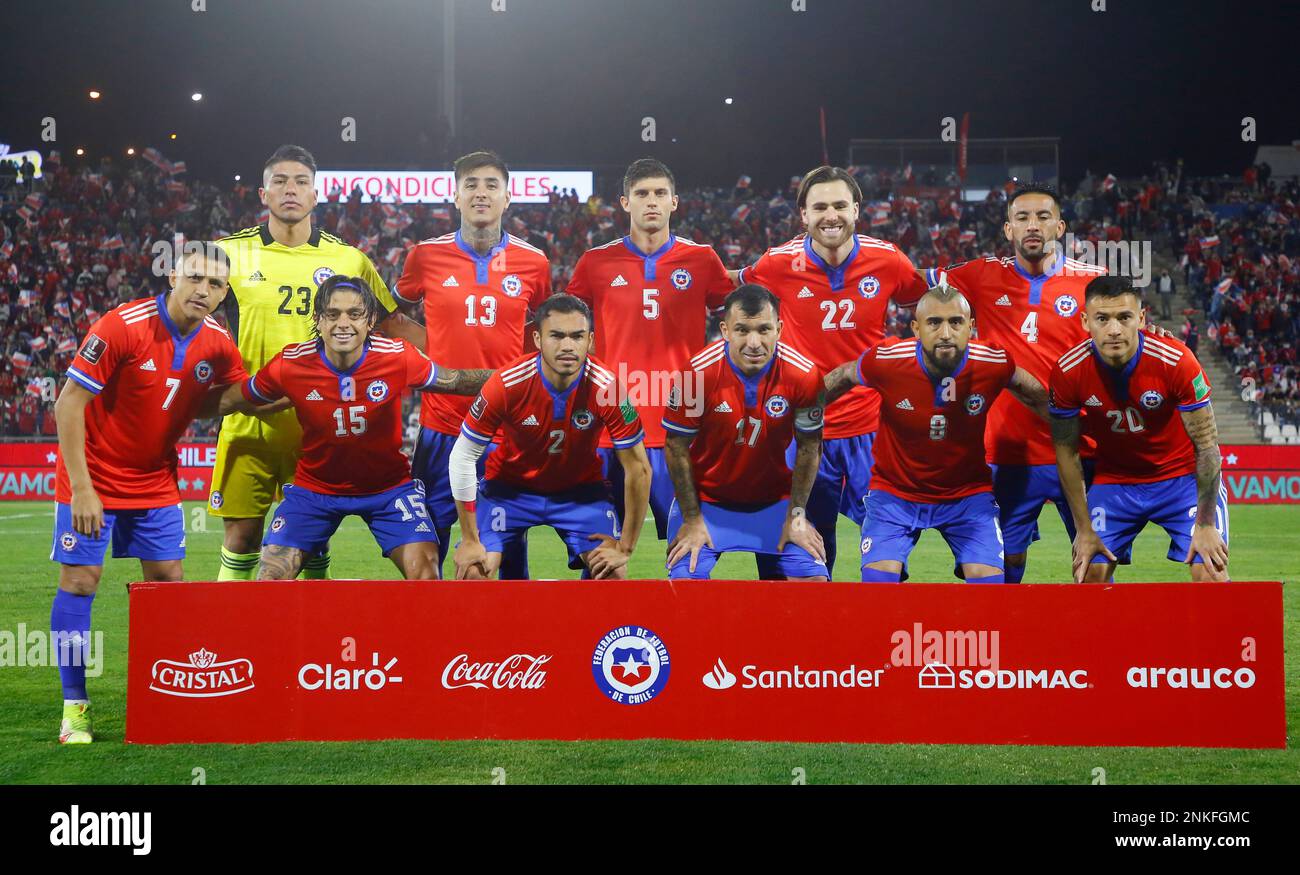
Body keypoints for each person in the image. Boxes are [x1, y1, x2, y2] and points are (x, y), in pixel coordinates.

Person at [49, 243, 253, 744]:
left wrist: (290, 385)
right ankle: (75, 706)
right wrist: (82, 489)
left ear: (225, 293)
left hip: (156, 482)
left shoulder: (219, 342)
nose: (203, 290)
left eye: (215, 285)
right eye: (194, 278)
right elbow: (67, 405)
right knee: (80, 583)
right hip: (93, 477)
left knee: (168, 583)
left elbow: (229, 397)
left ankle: (166, 697)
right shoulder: (122, 325)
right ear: (173, 277)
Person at [210, 144, 423, 582]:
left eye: (301, 182)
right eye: (280, 181)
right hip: (253, 419)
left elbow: (390, 324)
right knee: (242, 538)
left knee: (312, 541)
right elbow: (194, 318)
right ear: (262, 193)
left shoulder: (349, 259)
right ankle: (234, 637)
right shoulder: (226, 255)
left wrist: (464, 354)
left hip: (321, 425)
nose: (291, 190)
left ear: (315, 193)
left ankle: (313, 642)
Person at [222, 275, 489, 580]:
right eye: (332, 314)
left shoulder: (397, 357)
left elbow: (455, 380)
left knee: (427, 577)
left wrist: (519, 375)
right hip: (315, 491)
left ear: (370, 319)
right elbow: (236, 398)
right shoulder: (291, 364)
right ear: (318, 320)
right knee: (270, 578)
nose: (343, 323)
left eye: (354, 313)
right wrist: (182, 402)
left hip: (389, 490)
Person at [736, 166, 928, 576]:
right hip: (799, 431)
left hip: (871, 431)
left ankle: (877, 633)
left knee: (888, 558)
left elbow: (927, 302)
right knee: (793, 549)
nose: (831, 215)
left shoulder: (888, 259)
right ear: (802, 214)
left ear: (857, 210)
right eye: (819, 206)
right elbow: (727, 291)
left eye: (840, 205)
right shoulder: (776, 264)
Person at [922, 182, 1105, 583]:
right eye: (1022, 218)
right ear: (1008, 230)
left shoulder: (1095, 283)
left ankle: (1095, 645)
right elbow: (913, 282)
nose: (1033, 225)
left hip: (1081, 448)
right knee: (1003, 568)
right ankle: (1006, 645)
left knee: (1096, 564)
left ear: (1061, 226)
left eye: (1043, 217)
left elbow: (1125, 340)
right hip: (1007, 451)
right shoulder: (979, 276)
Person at [823, 285, 1049, 582]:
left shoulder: (993, 361)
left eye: (955, 322)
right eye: (934, 323)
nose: (945, 333)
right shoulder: (888, 359)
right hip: (895, 495)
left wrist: (1075, 435)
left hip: (967, 497)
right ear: (916, 328)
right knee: (877, 590)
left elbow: (1038, 397)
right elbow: (841, 376)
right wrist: (802, 415)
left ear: (971, 327)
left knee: (991, 590)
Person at [396, 150, 552, 578]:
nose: (480, 193)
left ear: (507, 197)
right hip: (441, 427)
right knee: (430, 544)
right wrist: (430, 357)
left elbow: (541, 333)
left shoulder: (534, 263)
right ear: (455, 195)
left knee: (508, 544)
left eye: (491, 185)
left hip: (506, 429)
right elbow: (392, 316)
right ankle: (430, 639)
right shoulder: (425, 256)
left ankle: (514, 640)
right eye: (471, 185)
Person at [566, 158, 731, 553]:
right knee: (602, 557)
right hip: (613, 428)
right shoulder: (595, 263)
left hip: (681, 427)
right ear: (625, 202)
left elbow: (739, 325)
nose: (651, 202)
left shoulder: (703, 260)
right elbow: (566, 335)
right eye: (641, 194)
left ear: (675, 202)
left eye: (660, 193)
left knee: (691, 557)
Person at [448, 294, 651, 580]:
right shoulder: (507, 383)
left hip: (579, 493)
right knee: (472, 571)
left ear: (590, 340)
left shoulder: (609, 389)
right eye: (556, 335)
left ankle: (586, 625)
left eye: (577, 336)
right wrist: (470, 538)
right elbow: (463, 455)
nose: (568, 346)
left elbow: (639, 468)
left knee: (613, 572)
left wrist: (626, 547)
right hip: (509, 491)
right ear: (538, 339)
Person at [1049, 276, 1229, 583]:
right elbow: (1066, 452)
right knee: (1089, 573)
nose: (1114, 329)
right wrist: (1083, 530)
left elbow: (1208, 446)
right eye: (1102, 319)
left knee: (1209, 570)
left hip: (1181, 480)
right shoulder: (1068, 371)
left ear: (1141, 319)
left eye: (1124, 317)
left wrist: (1207, 523)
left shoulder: (1177, 361)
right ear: (1085, 321)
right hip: (1115, 482)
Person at [662, 284, 827, 580]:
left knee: (813, 582)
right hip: (707, 503)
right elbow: (675, 447)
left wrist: (797, 515)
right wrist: (691, 518)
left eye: (764, 330)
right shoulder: (695, 374)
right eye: (742, 330)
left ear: (779, 329)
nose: (754, 342)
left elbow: (809, 448)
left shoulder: (804, 375)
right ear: (725, 330)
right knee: (685, 586)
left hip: (776, 503)